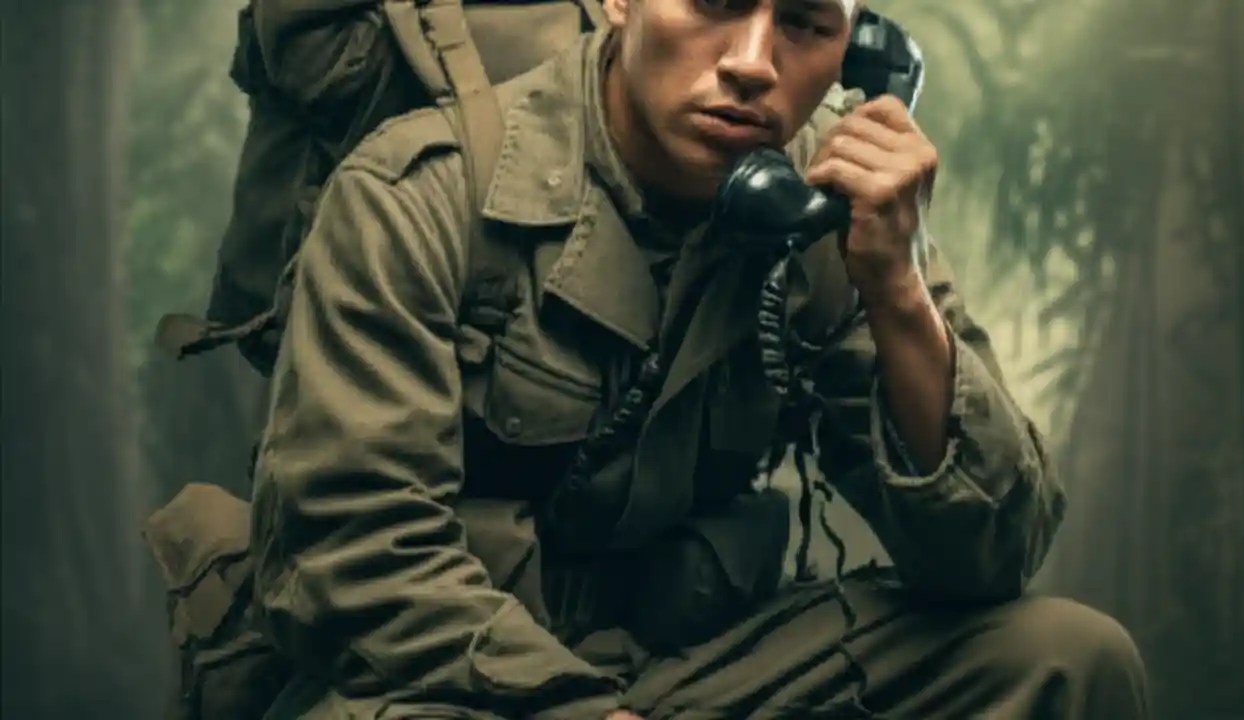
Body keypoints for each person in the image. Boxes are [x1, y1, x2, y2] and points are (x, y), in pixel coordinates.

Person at [248, 0, 1151, 717]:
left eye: (804, 22)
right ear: (620, 1)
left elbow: (991, 555)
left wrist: (897, 286)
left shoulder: (832, 208)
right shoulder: (417, 195)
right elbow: (350, 557)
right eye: (715, 2)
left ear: (857, 48)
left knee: (1068, 658)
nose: (755, 62)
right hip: (462, 679)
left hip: (698, 659)